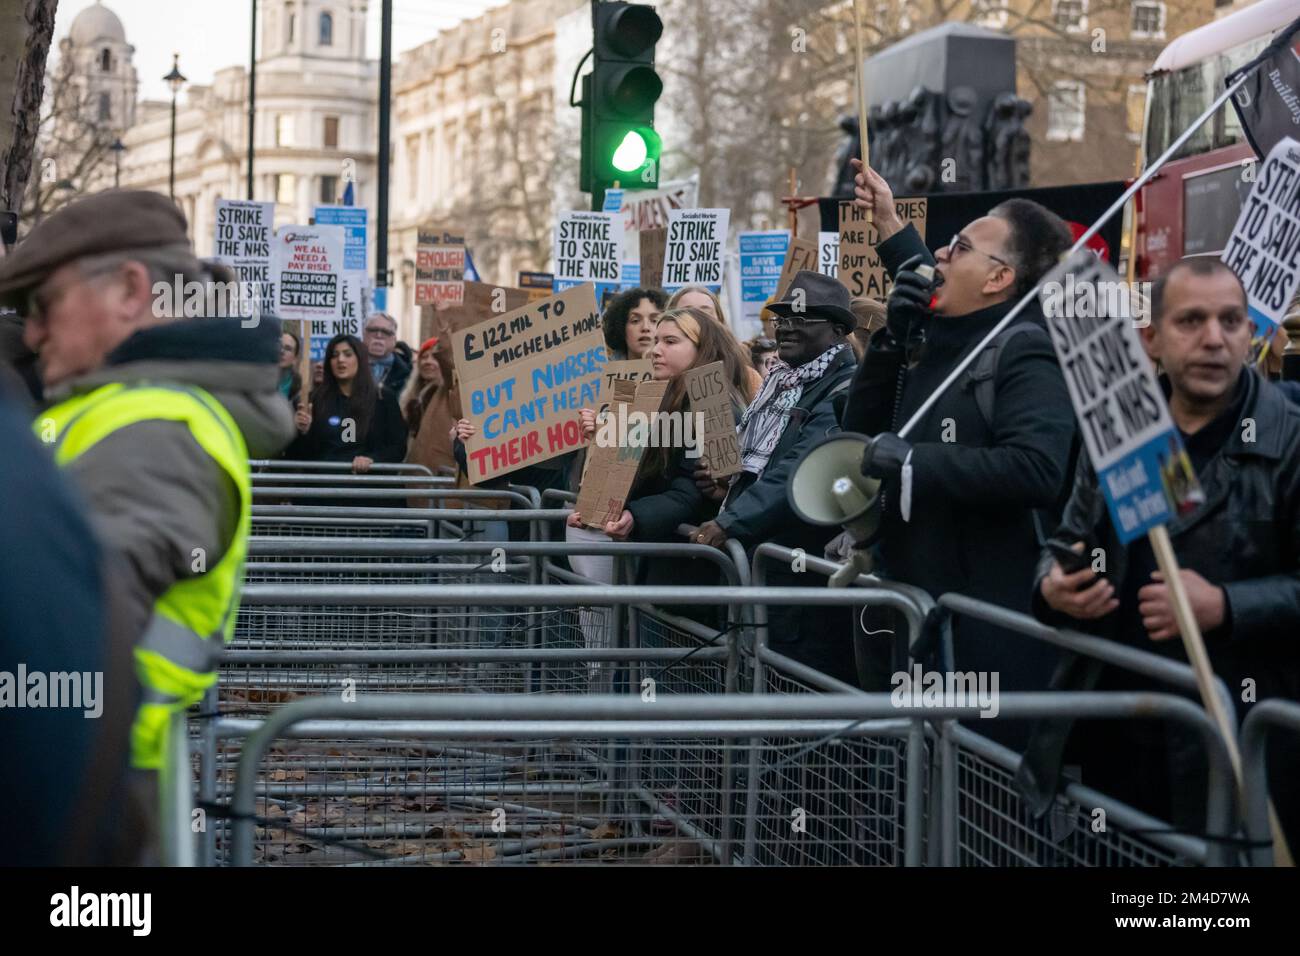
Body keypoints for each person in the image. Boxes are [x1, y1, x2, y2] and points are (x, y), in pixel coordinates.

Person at [0, 190, 295, 845]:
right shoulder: (121, 408)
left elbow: (57, 637)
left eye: (43, 306)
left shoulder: (157, 429)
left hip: (73, 805)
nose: (35, 332)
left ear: (131, 291)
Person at [1025, 256, 1300, 847]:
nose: (1214, 339)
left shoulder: (1290, 441)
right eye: (1191, 321)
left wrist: (1226, 605)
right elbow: (1062, 541)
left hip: (1237, 745)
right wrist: (1054, 586)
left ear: (1250, 332)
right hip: (1112, 738)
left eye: (1231, 321)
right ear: (1150, 338)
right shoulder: (1116, 433)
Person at [841, 160, 1077, 716]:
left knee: (969, 794)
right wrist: (890, 341)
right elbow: (859, 430)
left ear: (998, 279)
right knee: (909, 786)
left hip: (984, 637)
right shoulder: (938, 338)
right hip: (917, 617)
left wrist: (914, 461)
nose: (942, 255)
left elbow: (1037, 468)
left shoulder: (1023, 350)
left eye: (961, 248)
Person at [694, 271, 859, 682]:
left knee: (794, 688)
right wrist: (726, 484)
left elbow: (802, 469)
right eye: (782, 318)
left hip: (799, 574)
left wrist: (730, 521)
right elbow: (764, 462)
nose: (786, 327)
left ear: (838, 330)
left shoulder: (843, 391)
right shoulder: (782, 385)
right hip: (766, 566)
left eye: (802, 319)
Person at [288, 332, 408, 472]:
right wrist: (302, 432)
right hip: (325, 485)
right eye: (334, 355)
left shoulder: (382, 398)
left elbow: (397, 447)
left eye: (348, 354)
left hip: (367, 487)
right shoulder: (312, 401)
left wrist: (372, 459)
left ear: (360, 359)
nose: (340, 360)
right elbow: (298, 455)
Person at [402, 336, 460, 478]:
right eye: (424, 357)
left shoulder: (450, 390)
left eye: (434, 357)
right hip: (414, 470)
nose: (428, 361)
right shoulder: (411, 396)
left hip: (440, 471)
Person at [602, 287, 666, 360]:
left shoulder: (678, 370)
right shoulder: (602, 370)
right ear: (621, 328)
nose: (645, 327)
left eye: (654, 320)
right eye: (635, 321)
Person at [363, 312, 411, 396]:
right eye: (373, 330)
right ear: (363, 334)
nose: (379, 335)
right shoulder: (347, 366)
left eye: (386, 332)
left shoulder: (409, 373)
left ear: (394, 340)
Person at [278, 328, 303, 406]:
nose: (282, 351)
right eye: (279, 346)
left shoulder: (300, 392)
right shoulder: (258, 383)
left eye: (288, 349)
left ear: (295, 359)